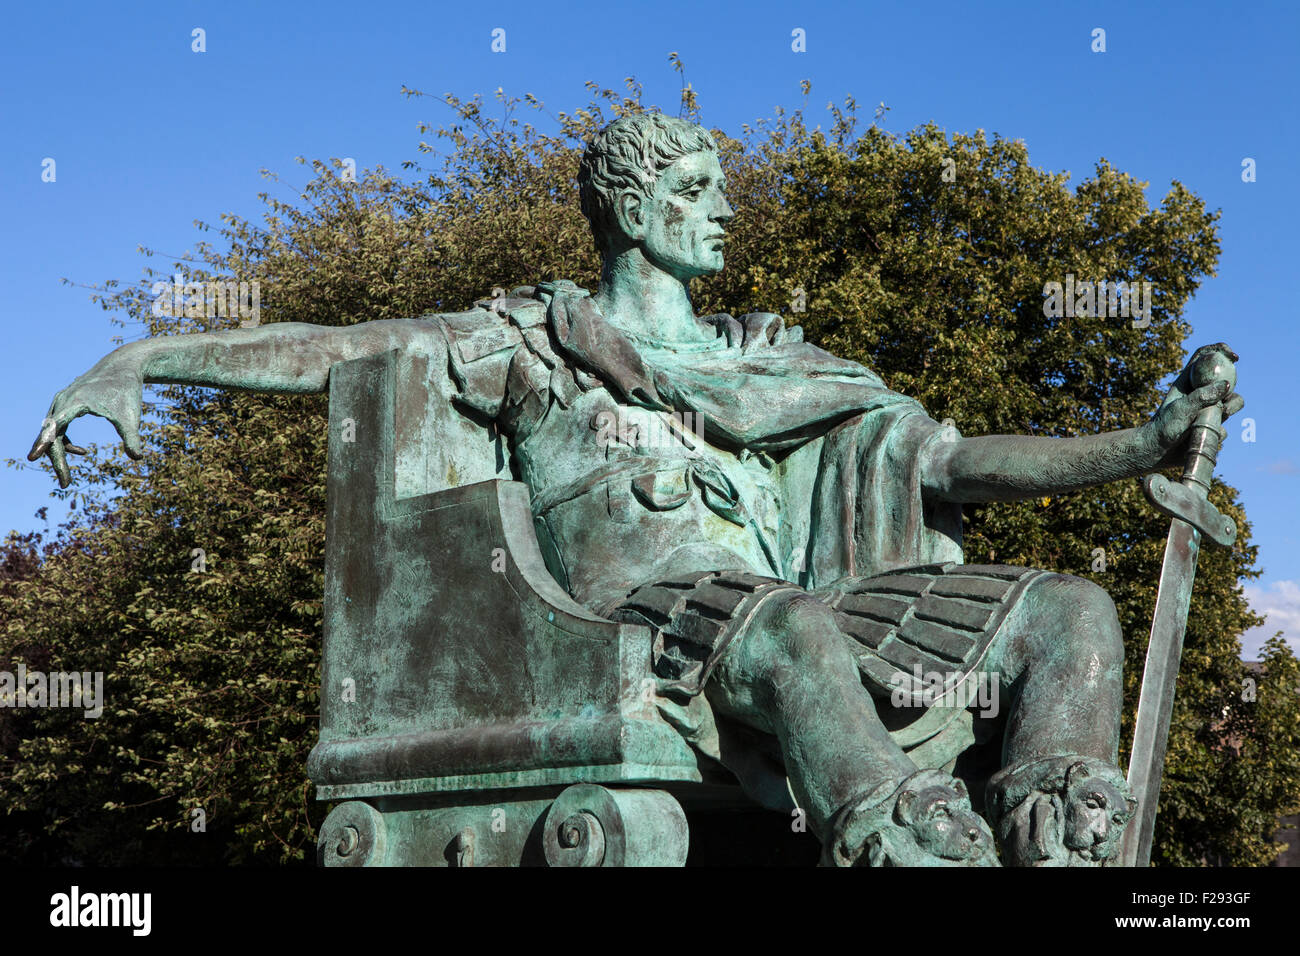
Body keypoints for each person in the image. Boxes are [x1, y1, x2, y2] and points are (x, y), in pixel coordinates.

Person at [29, 112, 1243, 865]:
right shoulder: (534, 339)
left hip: (781, 616)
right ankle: (906, 848)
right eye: (698, 191)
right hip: (625, 626)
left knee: (1070, 610)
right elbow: (344, 349)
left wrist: (1136, 443)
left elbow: (949, 458)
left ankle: (1067, 848)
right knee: (790, 631)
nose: (724, 210)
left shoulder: (770, 358)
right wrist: (145, 355)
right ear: (632, 206)